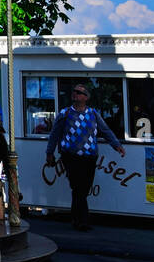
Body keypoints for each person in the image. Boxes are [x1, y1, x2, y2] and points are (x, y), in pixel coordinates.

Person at [45, 83, 126, 231]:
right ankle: (81, 221)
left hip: (89, 156)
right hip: (71, 156)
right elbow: (55, 134)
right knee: (78, 187)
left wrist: (116, 145)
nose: (75, 94)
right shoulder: (65, 113)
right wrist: (49, 153)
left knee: (83, 188)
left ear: (86, 97)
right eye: (74, 91)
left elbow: (105, 130)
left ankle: (78, 219)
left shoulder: (93, 114)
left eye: (79, 92)